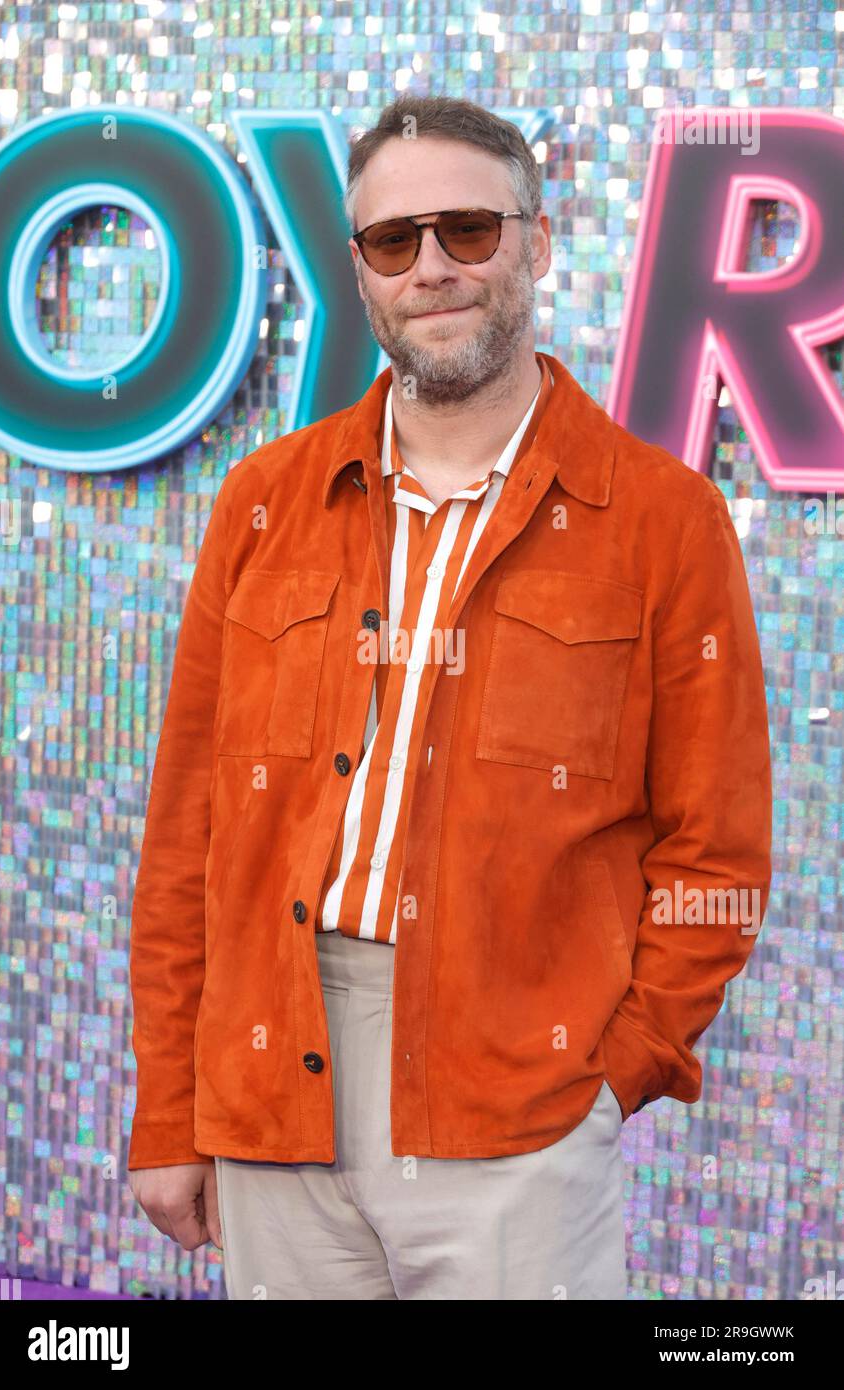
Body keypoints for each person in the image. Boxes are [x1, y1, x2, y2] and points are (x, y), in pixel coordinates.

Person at [127, 94, 773, 1300]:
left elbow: (716, 846)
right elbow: (186, 842)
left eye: (468, 231)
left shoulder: (662, 520)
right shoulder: (263, 506)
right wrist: (170, 1105)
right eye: (393, 241)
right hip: (271, 1081)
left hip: (517, 1109)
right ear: (361, 272)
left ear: (535, 241)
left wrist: (610, 1078)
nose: (432, 268)